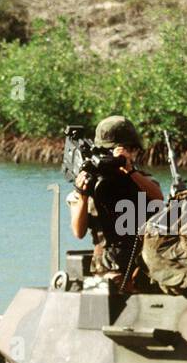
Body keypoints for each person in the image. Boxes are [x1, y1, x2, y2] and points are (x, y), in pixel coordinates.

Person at [69, 115, 163, 286]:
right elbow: (78, 232)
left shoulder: (140, 179)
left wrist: (130, 170)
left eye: (131, 149)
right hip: (106, 269)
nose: (129, 153)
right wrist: (82, 196)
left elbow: (158, 198)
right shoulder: (90, 183)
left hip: (144, 266)